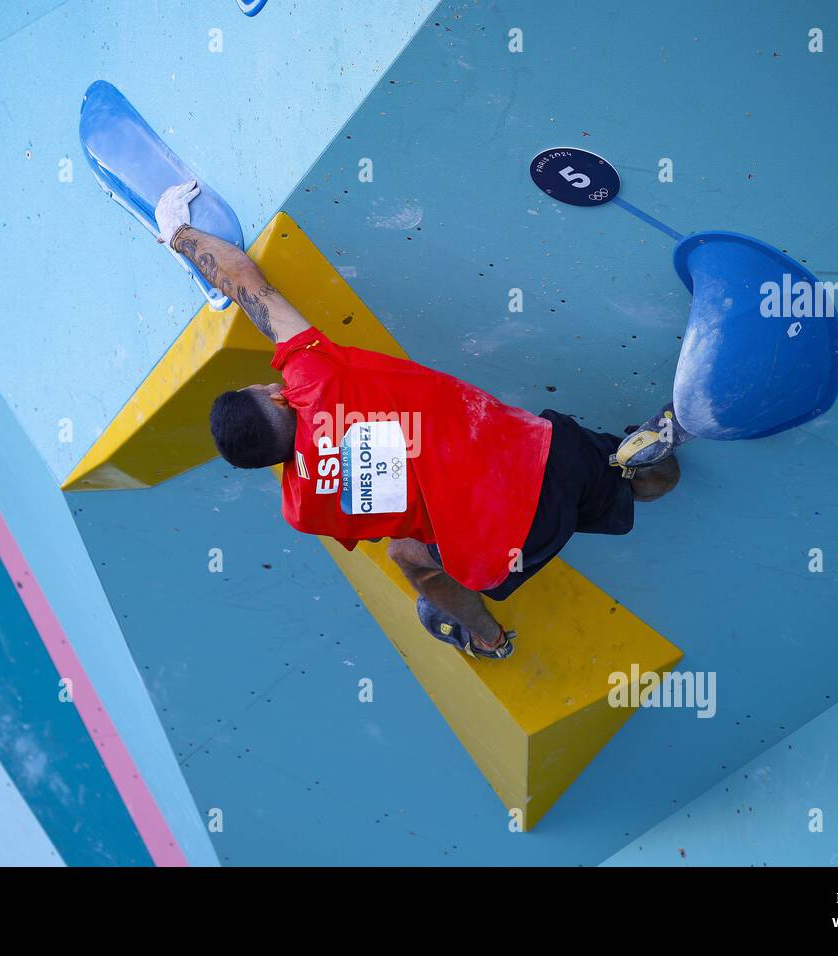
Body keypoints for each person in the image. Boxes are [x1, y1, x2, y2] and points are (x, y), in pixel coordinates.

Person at [154, 181, 680, 659]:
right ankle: (647, 461)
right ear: (279, 402)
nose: (273, 384)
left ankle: (488, 640)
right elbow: (246, 285)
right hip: (543, 462)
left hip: (502, 555)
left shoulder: (303, 509)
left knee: (408, 555)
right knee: (630, 476)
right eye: (266, 389)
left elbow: (358, 487)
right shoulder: (314, 375)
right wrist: (179, 233)